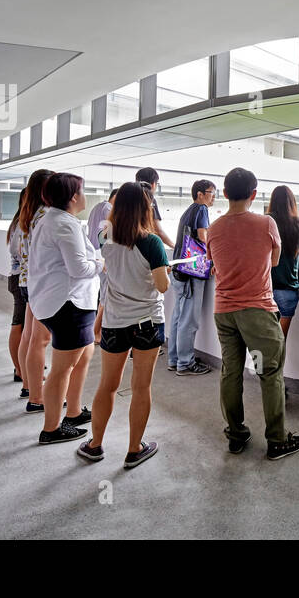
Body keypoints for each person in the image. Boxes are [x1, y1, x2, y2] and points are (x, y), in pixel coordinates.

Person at [207, 167, 299, 460]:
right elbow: (274, 262)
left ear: (224, 193)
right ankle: (277, 440)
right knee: (270, 372)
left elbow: (214, 264)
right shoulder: (266, 224)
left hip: (224, 311)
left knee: (231, 372)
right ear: (253, 194)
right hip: (257, 311)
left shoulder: (214, 228)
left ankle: (236, 435)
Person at [75, 182, 168, 469]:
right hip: (147, 322)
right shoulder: (151, 243)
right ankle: (133, 449)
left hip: (115, 321)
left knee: (108, 385)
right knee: (141, 387)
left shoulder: (105, 236)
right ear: (145, 208)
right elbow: (162, 286)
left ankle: (95, 445)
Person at [27, 172, 101, 444]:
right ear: (73, 196)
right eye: (82, 190)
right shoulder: (64, 225)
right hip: (68, 305)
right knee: (62, 369)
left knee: (83, 356)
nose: (85, 195)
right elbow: (79, 268)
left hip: (60, 302)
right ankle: (51, 428)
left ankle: (73, 411)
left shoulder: (54, 219)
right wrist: (101, 263)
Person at [167, 179, 216, 376]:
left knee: (178, 317)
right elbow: (203, 236)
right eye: (211, 192)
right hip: (192, 272)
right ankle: (185, 363)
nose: (214, 196)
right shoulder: (201, 209)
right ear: (200, 194)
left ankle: (174, 359)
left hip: (180, 270)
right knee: (189, 319)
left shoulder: (189, 211)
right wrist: (215, 257)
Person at [16, 169, 54, 411]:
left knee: (29, 337)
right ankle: (37, 399)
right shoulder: (46, 216)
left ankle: (29, 387)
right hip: (41, 285)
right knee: (40, 340)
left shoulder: (27, 215)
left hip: (26, 281)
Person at [267, 185, 299, 338]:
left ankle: (261, 363)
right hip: (288, 288)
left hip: (266, 287)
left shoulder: (266, 221)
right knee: (281, 340)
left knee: (265, 341)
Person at [87, 189, 117, 344]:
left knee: (103, 294)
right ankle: (96, 332)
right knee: (106, 295)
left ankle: (97, 331)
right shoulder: (108, 208)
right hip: (102, 255)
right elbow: (110, 232)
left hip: (95, 253)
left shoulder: (97, 207)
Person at [7, 190, 27, 394]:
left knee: (22, 326)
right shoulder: (22, 223)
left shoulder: (18, 221)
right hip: (20, 279)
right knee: (19, 325)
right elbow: (21, 254)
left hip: (17, 278)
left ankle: (22, 367)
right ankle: (20, 370)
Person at [135, 167, 175, 247]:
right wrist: (174, 246)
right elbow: (158, 231)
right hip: (142, 245)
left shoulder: (127, 196)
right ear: (153, 184)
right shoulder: (149, 199)